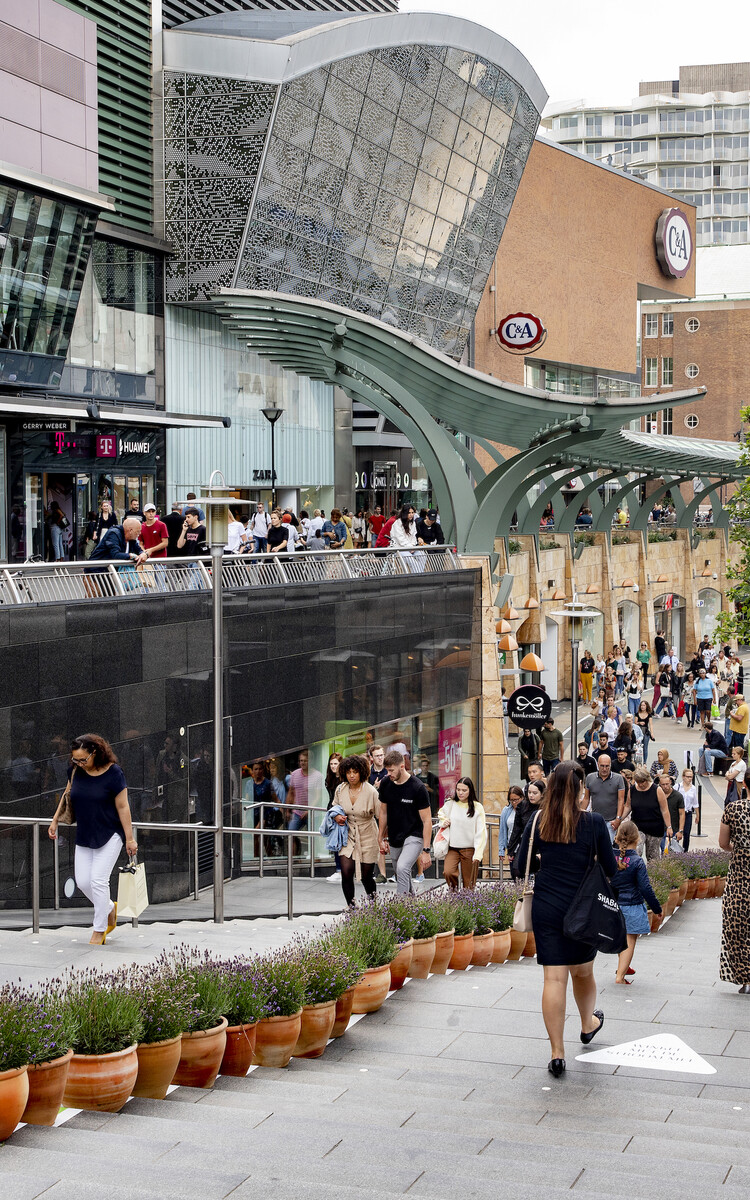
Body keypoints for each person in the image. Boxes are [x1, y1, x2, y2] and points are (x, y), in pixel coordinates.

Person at [516, 761, 614, 1077]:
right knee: (583, 972)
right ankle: (588, 1024)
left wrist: (546, 859)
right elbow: (610, 869)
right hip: (583, 908)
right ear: (581, 789)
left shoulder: (537, 822)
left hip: (547, 906)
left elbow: (521, 866)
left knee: (553, 979)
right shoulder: (595, 823)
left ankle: (557, 1054)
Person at [48, 734, 136, 945]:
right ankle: (108, 908)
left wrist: (130, 838)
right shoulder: (76, 771)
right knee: (83, 882)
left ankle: (99, 929)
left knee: (98, 880)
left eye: (83, 759)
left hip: (110, 833)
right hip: (85, 833)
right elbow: (66, 795)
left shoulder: (114, 773)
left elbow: (123, 806)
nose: (79, 763)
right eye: (75, 760)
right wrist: (54, 822)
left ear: (95, 753)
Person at [610, 819, 662, 984]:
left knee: (620, 939)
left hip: (612, 905)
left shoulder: (610, 857)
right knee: (629, 941)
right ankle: (620, 976)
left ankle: (623, 966)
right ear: (637, 839)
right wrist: (656, 908)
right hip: (632, 906)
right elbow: (645, 888)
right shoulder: (637, 862)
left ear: (617, 838)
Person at [378, 748, 432, 894]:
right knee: (400, 872)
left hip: (414, 835)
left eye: (391, 770)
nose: (388, 774)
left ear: (402, 766)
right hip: (395, 836)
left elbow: (427, 820)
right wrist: (380, 837)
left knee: (402, 867)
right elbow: (383, 812)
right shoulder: (385, 784)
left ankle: (400, 907)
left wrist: (426, 850)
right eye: (387, 770)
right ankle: (411, 907)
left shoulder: (418, 787)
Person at [330, 755, 380, 908]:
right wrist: (337, 816)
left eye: (355, 772)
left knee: (366, 876)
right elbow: (334, 808)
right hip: (348, 834)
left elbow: (381, 815)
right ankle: (351, 908)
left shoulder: (371, 791)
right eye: (349, 772)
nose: (351, 775)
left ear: (361, 772)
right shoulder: (340, 789)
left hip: (368, 834)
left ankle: (374, 907)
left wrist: (384, 838)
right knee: (346, 872)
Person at [718, 782, 750, 993]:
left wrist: (738, 849)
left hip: (740, 875)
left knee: (737, 926)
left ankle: (745, 978)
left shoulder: (733, 809)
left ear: (745, 784)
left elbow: (723, 843)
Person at [438, 777, 487, 890]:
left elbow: (481, 832)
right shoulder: (451, 804)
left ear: (470, 791)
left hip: (469, 849)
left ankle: (466, 904)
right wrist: (444, 821)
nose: (460, 793)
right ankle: (454, 896)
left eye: (464, 790)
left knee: (468, 883)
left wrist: (478, 854)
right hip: (452, 848)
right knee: (448, 872)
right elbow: (441, 813)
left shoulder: (477, 807)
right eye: (458, 789)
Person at [623, 766, 672, 861]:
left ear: (647, 779)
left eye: (643, 782)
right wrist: (620, 819)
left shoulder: (657, 790)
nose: (641, 784)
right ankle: (635, 873)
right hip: (637, 826)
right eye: (638, 782)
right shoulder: (632, 790)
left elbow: (664, 810)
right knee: (636, 852)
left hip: (654, 827)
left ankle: (653, 875)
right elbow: (628, 806)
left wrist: (669, 826)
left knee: (652, 856)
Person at [286, 749, 323, 853]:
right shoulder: (294, 774)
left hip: (312, 813)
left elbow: (318, 796)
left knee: (313, 837)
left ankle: (315, 857)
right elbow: (291, 792)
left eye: (305, 761)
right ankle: (292, 859)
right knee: (290, 834)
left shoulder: (317, 776)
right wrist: (288, 809)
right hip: (297, 811)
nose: (302, 763)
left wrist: (309, 810)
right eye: (301, 761)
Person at [584, 755, 625, 843]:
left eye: (607, 766)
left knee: (608, 847)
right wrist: (580, 813)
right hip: (595, 820)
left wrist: (618, 819)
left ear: (610, 765)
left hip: (611, 821)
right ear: (598, 765)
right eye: (602, 766)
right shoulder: (590, 778)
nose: (604, 769)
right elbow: (586, 799)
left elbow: (621, 800)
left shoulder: (618, 779)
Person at [659, 774, 685, 847]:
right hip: (659, 829)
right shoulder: (657, 794)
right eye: (663, 784)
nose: (665, 786)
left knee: (668, 851)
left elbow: (682, 814)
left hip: (673, 829)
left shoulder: (678, 796)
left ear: (670, 782)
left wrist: (680, 830)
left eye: (667, 784)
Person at [500, 786, 523, 860]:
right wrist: (501, 850)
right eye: (511, 800)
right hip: (512, 848)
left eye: (516, 800)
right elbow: (502, 831)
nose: (514, 802)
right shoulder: (506, 811)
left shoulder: (526, 810)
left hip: (523, 847)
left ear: (522, 798)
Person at [681, 768, 698, 851]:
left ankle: (685, 851)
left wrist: (698, 815)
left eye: (691, 777)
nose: (689, 779)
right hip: (679, 813)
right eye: (688, 776)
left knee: (686, 833)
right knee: (677, 833)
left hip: (688, 813)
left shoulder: (693, 788)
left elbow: (695, 803)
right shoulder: (678, 787)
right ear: (683, 777)